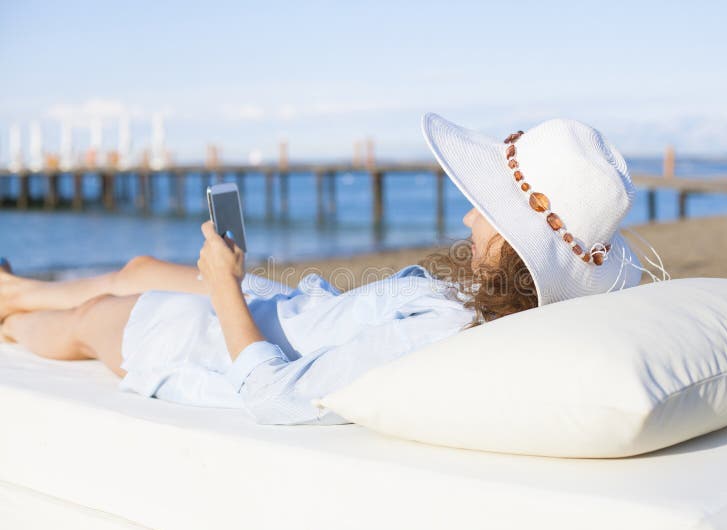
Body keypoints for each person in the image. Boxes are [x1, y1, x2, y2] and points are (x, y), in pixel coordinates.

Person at [0, 114, 659, 424]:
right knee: (140, 265)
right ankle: (11, 285)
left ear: (517, 247)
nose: (467, 220)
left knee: (88, 321)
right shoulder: (481, 312)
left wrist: (226, 287)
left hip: (231, 348)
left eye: (484, 212)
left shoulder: (442, 340)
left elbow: (276, 397)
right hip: (295, 313)